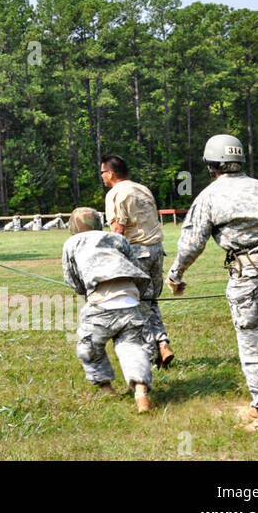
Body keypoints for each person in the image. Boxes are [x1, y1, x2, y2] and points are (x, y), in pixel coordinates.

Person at [167, 135, 258, 434]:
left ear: (211, 165)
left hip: (250, 271)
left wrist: (175, 274)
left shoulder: (211, 195)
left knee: (253, 340)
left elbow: (192, 243)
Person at [61, 207, 156, 414]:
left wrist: (84, 291)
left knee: (89, 346)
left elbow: (72, 278)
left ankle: (106, 389)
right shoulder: (117, 239)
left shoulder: (72, 243)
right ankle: (141, 393)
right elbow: (133, 265)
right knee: (132, 347)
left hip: (100, 305)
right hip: (131, 301)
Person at [101, 154, 174, 368]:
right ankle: (162, 342)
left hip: (136, 252)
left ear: (111, 173)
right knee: (149, 301)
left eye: (102, 173)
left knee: (135, 305)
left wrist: (110, 259)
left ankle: (150, 357)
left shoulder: (116, 193)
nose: (102, 177)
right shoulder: (142, 189)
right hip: (156, 251)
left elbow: (117, 229)